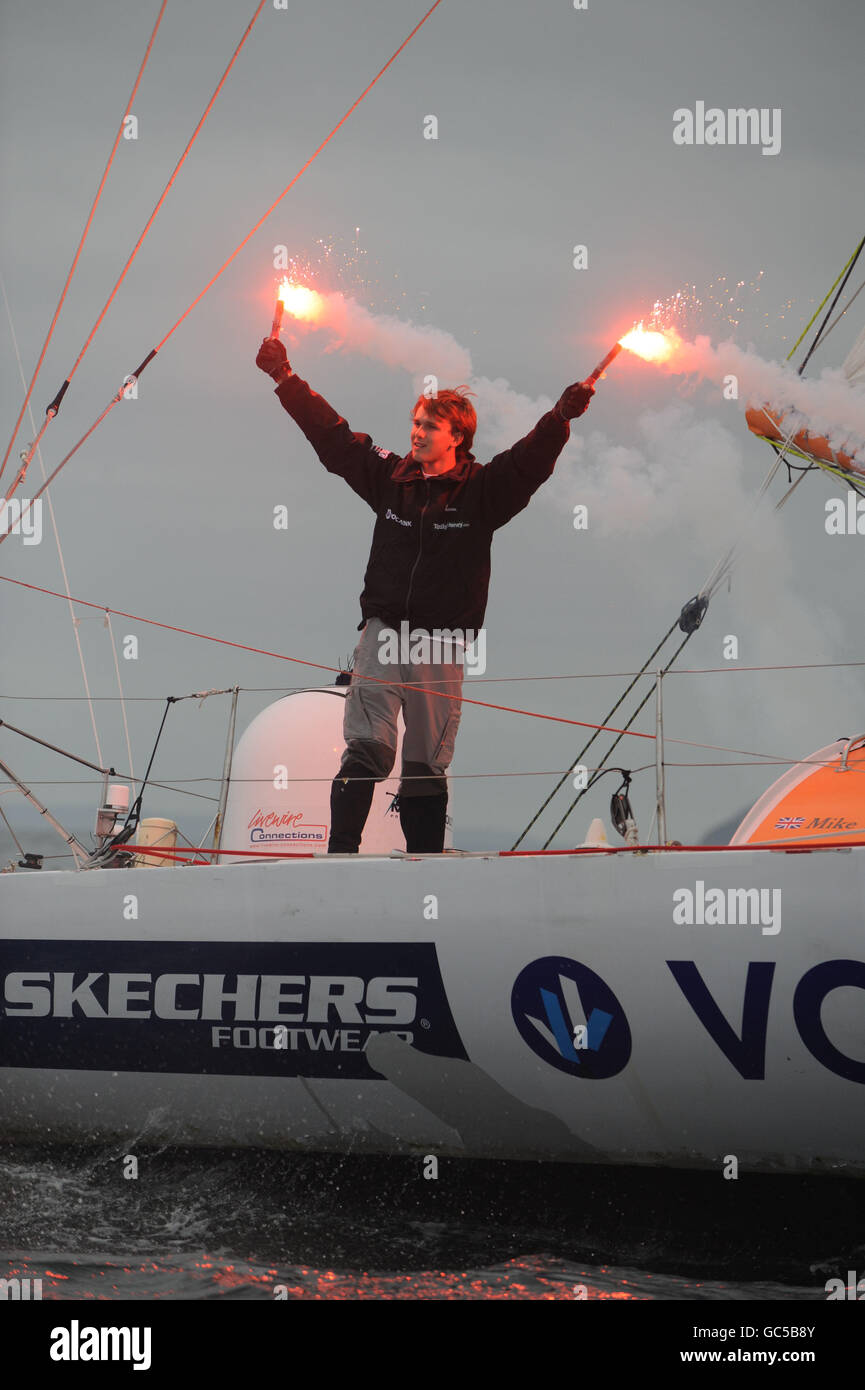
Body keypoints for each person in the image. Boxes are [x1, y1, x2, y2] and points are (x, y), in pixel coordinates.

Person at [256, 336, 594, 853]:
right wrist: (285, 378)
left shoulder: (482, 492)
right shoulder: (392, 478)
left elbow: (527, 464)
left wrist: (559, 419)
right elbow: (336, 440)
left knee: (424, 762)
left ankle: (426, 871)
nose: (416, 432)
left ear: (457, 436)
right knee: (366, 748)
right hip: (383, 633)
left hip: (441, 642)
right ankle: (340, 855)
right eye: (415, 423)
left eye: (429, 426)